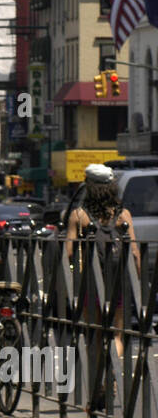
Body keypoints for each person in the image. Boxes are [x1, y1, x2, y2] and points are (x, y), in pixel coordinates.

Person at [65, 162, 140, 391]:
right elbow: (135, 253)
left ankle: (98, 382)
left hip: (91, 281)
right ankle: (113, 374)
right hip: (118, 280)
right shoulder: (123, 215)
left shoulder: (79, 215)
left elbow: (68, 252)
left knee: (95, 335)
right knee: (117, 334)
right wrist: (137, 283)